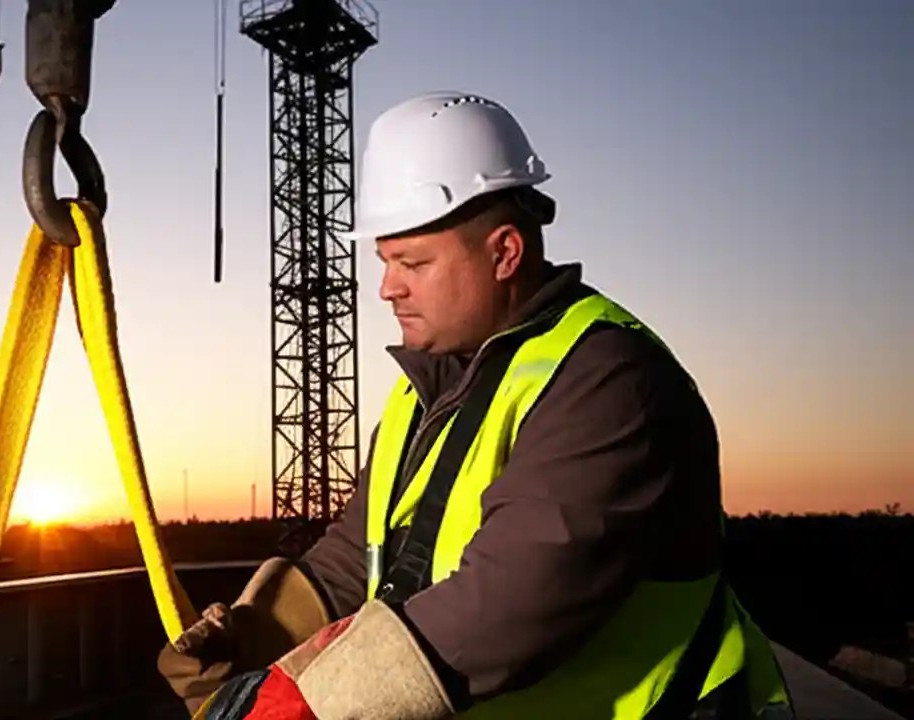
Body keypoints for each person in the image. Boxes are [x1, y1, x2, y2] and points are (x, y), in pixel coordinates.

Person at [157, 90, 795, 719]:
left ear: (504, 253)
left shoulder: (609, 382)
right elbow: (362, 555)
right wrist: (251, 634)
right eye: (384, 262)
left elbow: (512, 603)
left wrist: (292, 704)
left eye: (411, 262)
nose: (386, 288)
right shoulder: (428, 390)